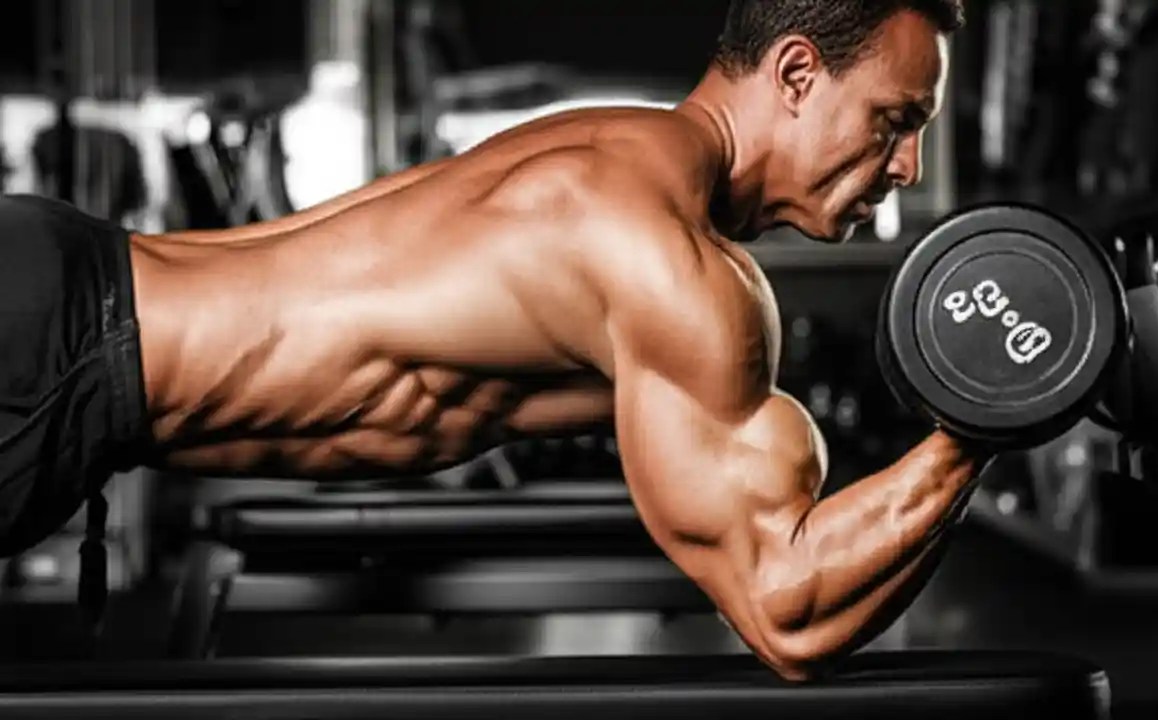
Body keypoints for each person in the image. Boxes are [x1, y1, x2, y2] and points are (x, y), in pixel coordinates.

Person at [0, 0, 979, 680]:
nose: (908, 163)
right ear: (796, 72)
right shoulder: (670, 264)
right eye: (893, 120)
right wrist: (976, 426)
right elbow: (784, 612)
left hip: (63, 290)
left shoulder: (609, 146)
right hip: (56, 361)